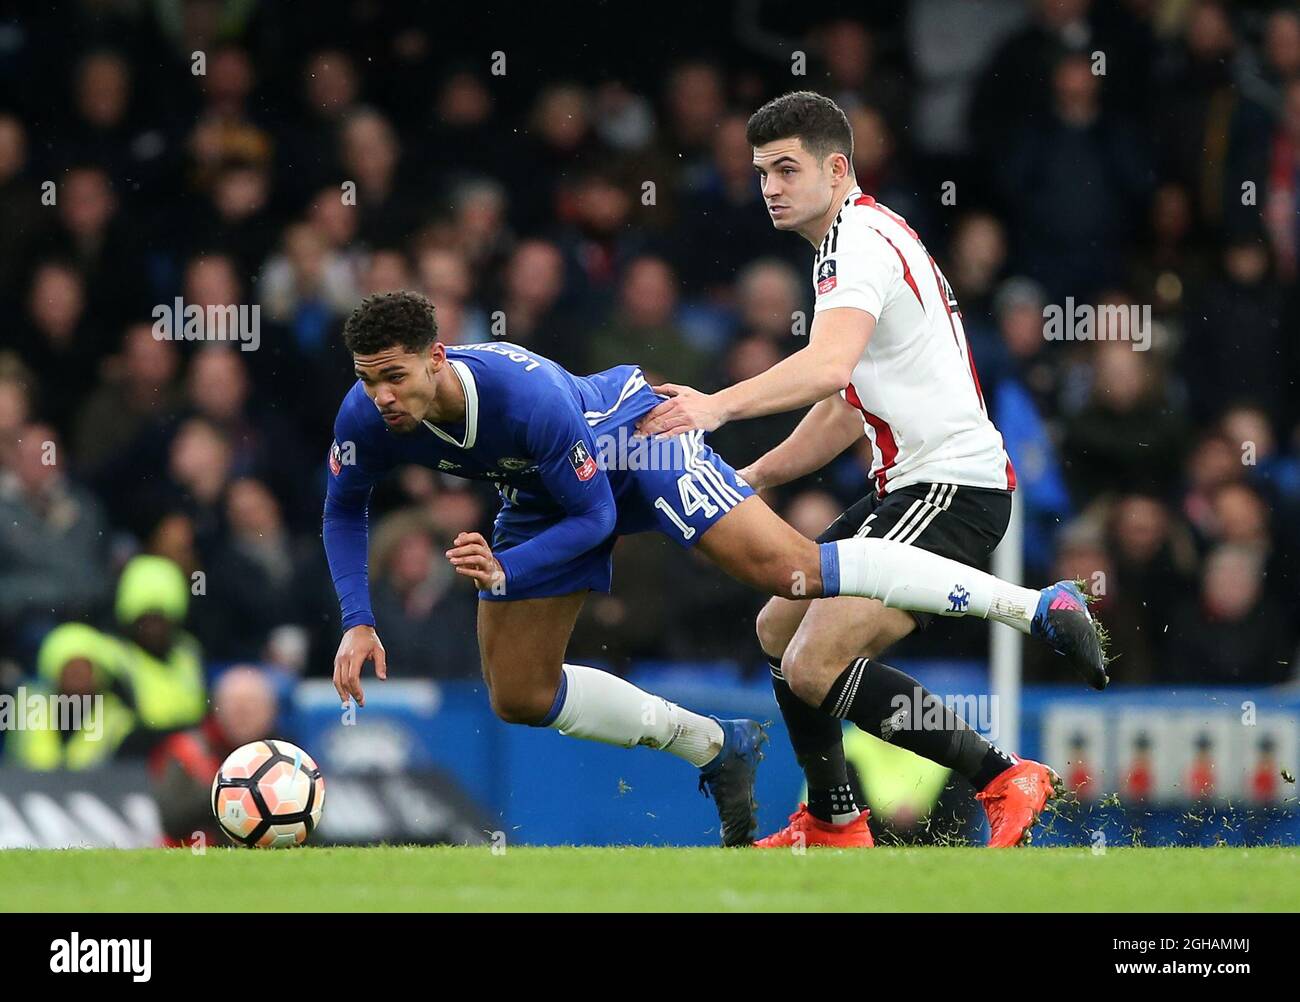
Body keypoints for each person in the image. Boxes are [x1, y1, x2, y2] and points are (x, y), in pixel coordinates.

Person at [324, 290, 1105, 846]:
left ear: (436, 356)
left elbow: (599, 522)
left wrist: (509, 571)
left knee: (791, 572)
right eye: (367, 377)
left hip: (639, 445)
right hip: (547, 490)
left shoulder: (521, 397)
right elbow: (342, 507)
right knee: (518, 695)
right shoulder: (366, 414)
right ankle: (715, 745)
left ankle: (1033, 606)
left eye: (394, 376)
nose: (381, 395)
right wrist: (359, 620)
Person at [636, 91, 1109, 848]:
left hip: (951, 487)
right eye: (761, 173)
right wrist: (756, 476)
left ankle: (999, 774)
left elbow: (827, 369)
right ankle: (832, 820)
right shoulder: (862, 237)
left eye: (787, 169)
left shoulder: (854, 242)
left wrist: (716, 408)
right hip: (917, 484)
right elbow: (848, 406)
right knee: (777, 623)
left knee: (815, 660)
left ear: (837, 168)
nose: (771, 188)